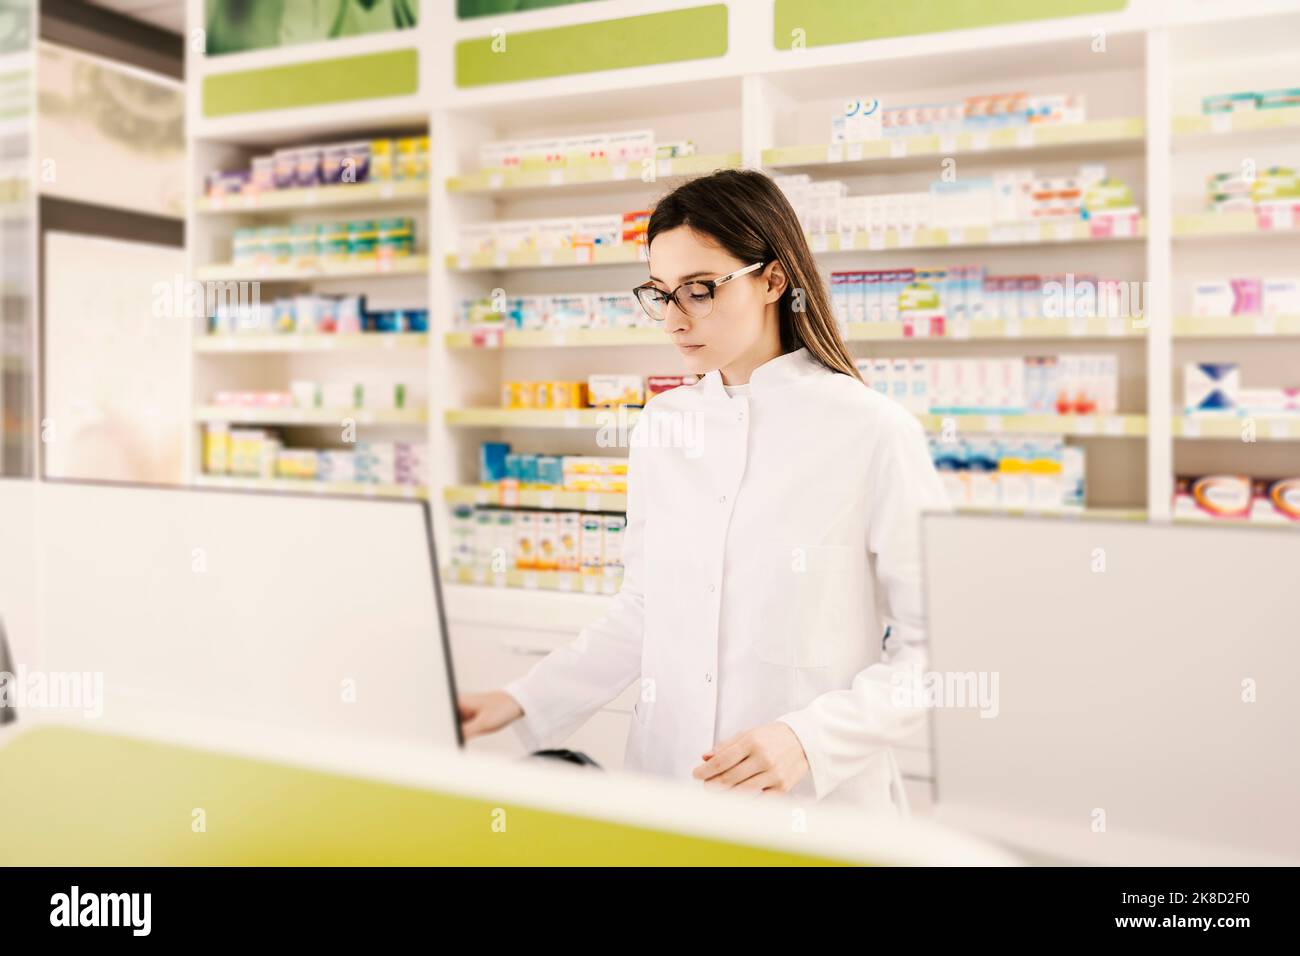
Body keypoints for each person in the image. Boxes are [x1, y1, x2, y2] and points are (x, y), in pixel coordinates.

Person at [458, 168, 951, 815]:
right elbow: (643, 610)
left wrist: (809, 738)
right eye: (661, 294)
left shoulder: (873, 431)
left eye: (699, 290)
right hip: (670, 787)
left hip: (811, 809)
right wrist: (523, 698)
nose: (674, 318)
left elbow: (936, 650)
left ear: (773, 279)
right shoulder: (664, 427)